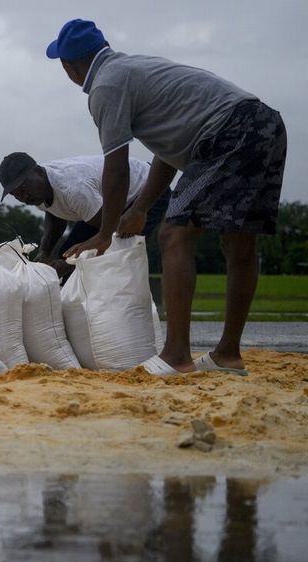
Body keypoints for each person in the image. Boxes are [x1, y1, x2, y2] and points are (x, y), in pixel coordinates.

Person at [48, 19, 286, 375]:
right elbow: (168, 151)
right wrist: (141, 207)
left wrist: (103, 234)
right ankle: (227, 355)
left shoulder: (106, 86)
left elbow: (116, 168)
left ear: (69, 67)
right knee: (239, 243)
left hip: (229, 132)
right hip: (265, 125)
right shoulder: (135, 69)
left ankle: (177, 355)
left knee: (174, 234)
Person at [0, 151, 170, 281]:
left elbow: (108, 235)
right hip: (105, 205)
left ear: (38, 172)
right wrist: (45, 251)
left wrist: (67, 266)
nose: (24, 196)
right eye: (16, 194)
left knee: (120, 252)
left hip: (147, 190)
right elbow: (55, 214)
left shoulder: (74, 188)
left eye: (24, 187)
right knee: (69, 252)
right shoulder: (39, 190)